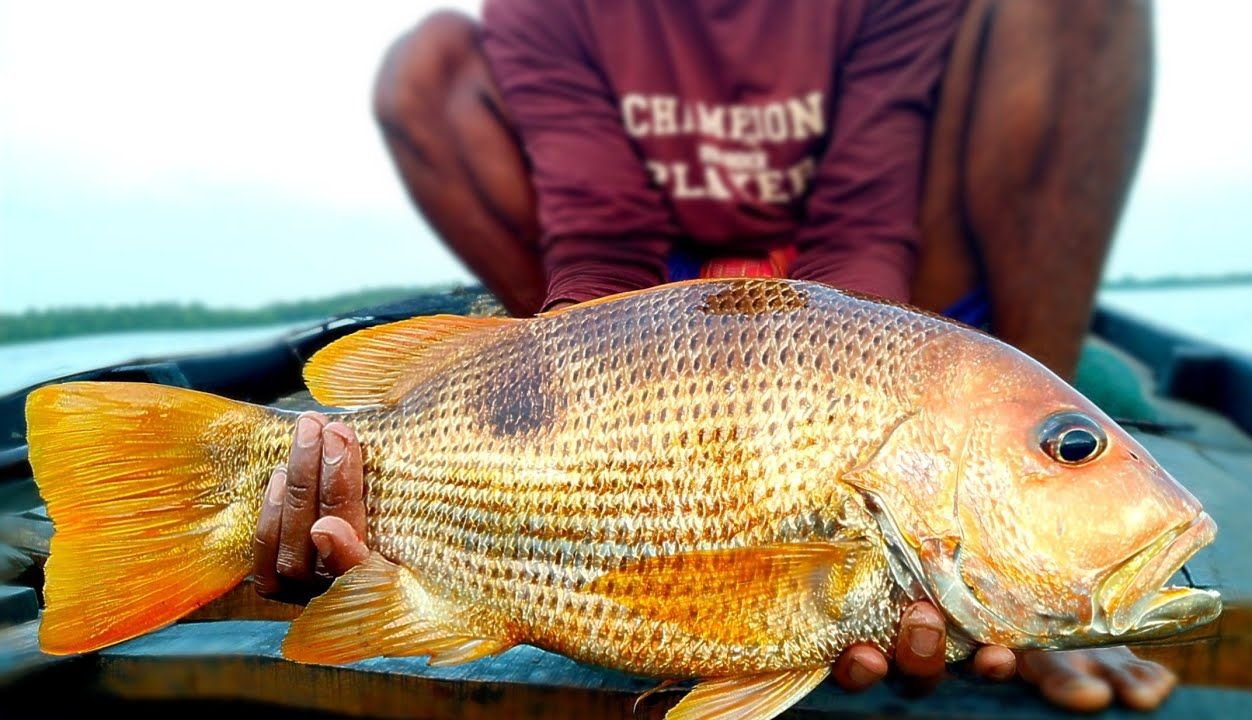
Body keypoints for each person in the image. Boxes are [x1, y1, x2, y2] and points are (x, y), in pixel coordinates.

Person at [254, 0, 1174, 711]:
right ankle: (507, 495)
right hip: (642, 328)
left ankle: (1032, 545)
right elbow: (599, 245)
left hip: (868, 318)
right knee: (429, 71)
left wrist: (875, 386)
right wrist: (582, 485)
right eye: (1070, 448)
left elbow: (862, 230)